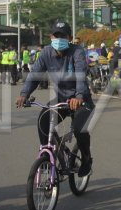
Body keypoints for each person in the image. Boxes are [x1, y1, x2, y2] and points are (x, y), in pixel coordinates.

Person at [16, 19, 94, 177]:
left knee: (80, 130)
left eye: (63, 36)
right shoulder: (46, 52)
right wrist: (24, 94)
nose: (59, 39)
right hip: (61, 99)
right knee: (43, 120)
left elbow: (80, 74)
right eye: (56, 36)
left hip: (81, 100)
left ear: (69, 37)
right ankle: (46, 154)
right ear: (51, 37)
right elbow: (35, 75)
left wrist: (79, 96)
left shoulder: (77, 51)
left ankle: (86, 159)